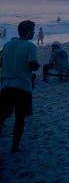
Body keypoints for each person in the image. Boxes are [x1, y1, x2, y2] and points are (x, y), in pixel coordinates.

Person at [0, 20, 40, 153]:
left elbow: (1, 62)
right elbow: (32, 66)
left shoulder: (8, 44)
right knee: (19, 119)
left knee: (2, 116)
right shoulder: (31, 47)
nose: (34, 33)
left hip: (5, 86)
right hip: (22, 87)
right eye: (33, 30)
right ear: (28, 32)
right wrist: (37, 65)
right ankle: (15, 147)